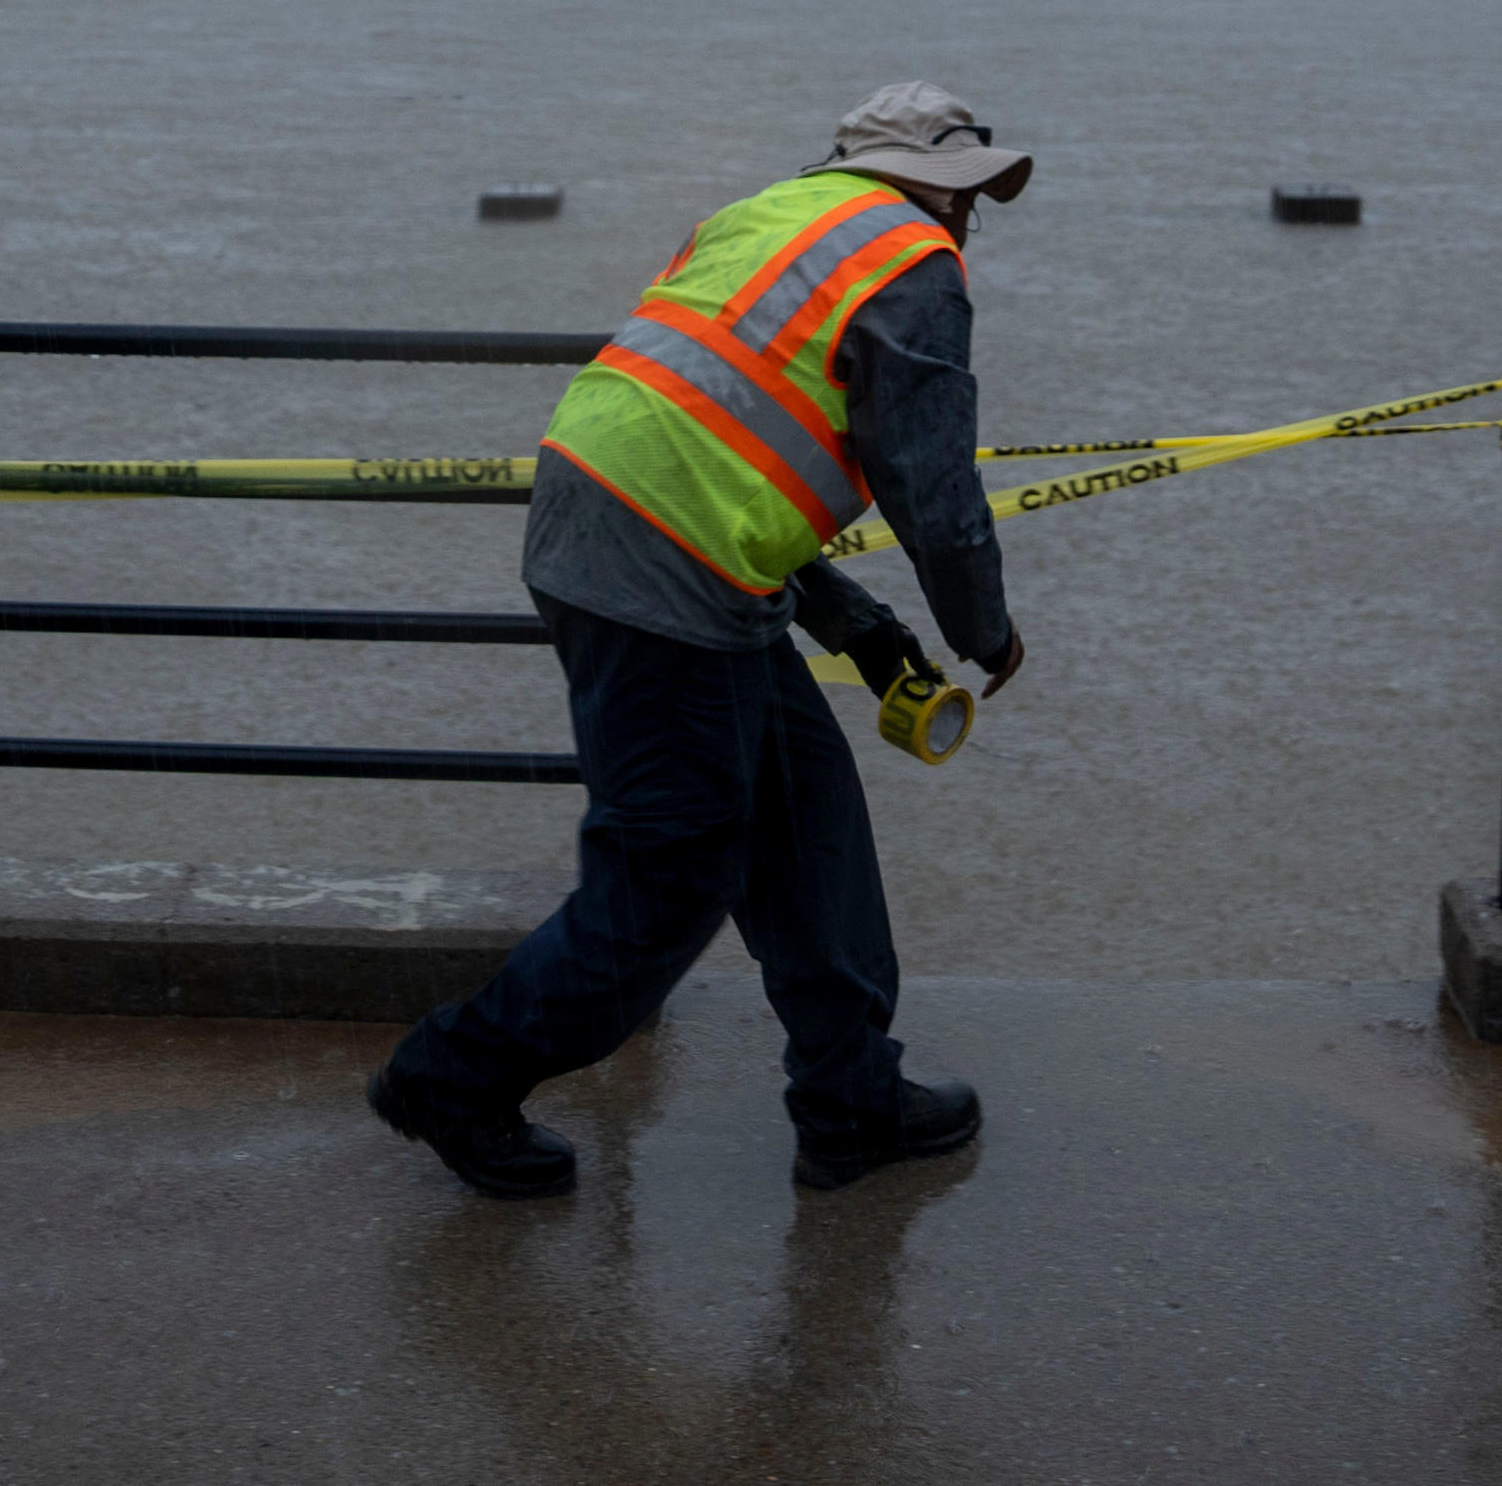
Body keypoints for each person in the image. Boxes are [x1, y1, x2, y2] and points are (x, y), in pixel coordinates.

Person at [370, 81, 1031, 1197]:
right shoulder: (913, 263)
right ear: (924, 182)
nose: (968, 217)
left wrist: (860, 628)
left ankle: (851, 1094)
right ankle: (455, 1073)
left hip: (614, 518)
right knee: (673, 873)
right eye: (963, 190)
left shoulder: (765, 216)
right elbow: (931, 482)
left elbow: (718, 433)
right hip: (664, 569)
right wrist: (986, 628)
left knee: (808, 815)